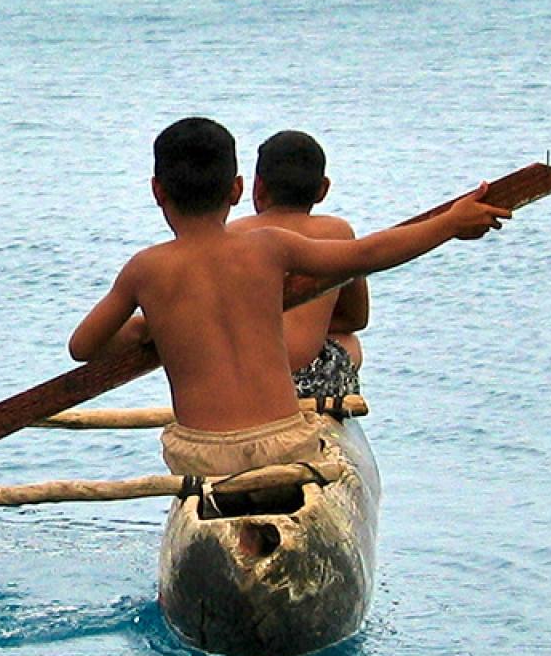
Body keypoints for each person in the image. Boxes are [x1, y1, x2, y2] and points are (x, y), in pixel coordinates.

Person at [68, 117, 509, 478]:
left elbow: (83, 347)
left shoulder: (144, 269)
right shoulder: (269, 247)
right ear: (237, 189)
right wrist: (450, 223)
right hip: (282, 442)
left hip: (200, 454)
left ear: (156, 191)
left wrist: (146, 330)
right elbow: (369, 254)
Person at [229, 129, 366, 400]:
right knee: (349, 342)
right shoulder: (336, 232)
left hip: (240, 379)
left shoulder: (231, 234)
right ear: (323, 189)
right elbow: (355, 318)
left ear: (258, 187)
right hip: (303, 383)